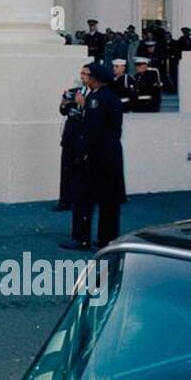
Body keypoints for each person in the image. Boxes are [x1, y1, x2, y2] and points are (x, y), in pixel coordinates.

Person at [62, 61, 126, 251]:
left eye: (87, 75)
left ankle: (82, 238)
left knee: (85, 198)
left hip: (96, 156)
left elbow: (94, 129)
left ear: (96, 79)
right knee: (107, 200)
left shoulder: (98, 100)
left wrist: (85, 107)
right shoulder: (108, 98)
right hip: (107, 156)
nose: (85, 79)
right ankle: (106, 238)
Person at [57, 63, 92, 212]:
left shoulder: (95, 94)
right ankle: (65, 201)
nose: (82, 77)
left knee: (81, 170)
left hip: (83, 137)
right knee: (66, 169)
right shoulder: (75, 91)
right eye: (82, 74)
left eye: (85, 74)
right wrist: (64, 102)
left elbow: (93, 115)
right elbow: (64, 111)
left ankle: (80, 201)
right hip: (70, 135)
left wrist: (83, 104)